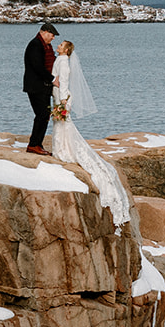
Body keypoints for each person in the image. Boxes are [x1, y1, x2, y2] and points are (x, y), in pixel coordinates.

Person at [49, 40, 132, 226]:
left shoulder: (63, 62)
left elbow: (63, 83)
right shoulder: (61, 60)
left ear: (67, 50)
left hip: (61, 96)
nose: (59, 46)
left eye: (61, 45)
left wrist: (63, 102)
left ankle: (63, 151)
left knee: (62, 124)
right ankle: (62, 149)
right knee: (61, 125)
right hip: (58, 94)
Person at [22, 23, 58, 154]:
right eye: (52, 35)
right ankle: (33, 145)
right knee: (42, 115)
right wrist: (53, 79)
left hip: (42, 86)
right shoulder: (35, 45)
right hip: (36, 86)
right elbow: (38, 67)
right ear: (44, 32)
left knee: (44, 115)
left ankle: (37, 143)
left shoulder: (45, 45)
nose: (53, 38)